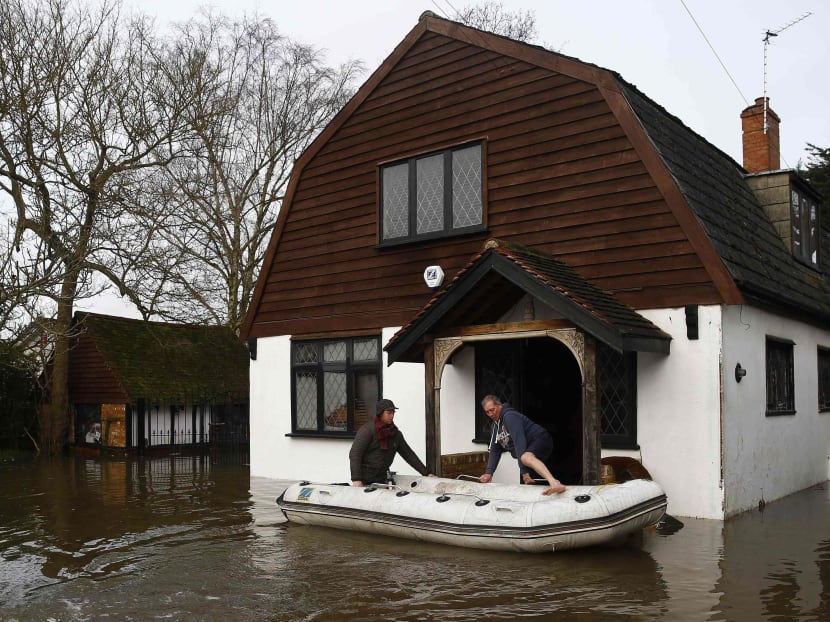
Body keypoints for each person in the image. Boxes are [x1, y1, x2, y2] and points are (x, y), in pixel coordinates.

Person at [479, 395, 566, 495]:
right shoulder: (495, 427)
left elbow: (519, 442)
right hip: (526, 450)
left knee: (525, 458)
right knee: (528, 482)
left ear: (499, 405)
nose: (490, 414)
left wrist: (523, 470)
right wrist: (489, 473)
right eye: (487, 412)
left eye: (492, 410)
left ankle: (555, 483)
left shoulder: (509, 416)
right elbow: (495, 450)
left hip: (540, 439)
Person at [349, 398, 431, 486]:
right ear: (380, 413)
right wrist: (356, 479)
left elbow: (409, 455)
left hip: (381, 480)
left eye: (393, 413)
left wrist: (426, 473)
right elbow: (355, 454)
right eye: (389, 413)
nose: (392, 416)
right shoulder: (367, 430)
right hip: (364, 480)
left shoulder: (395, 434)